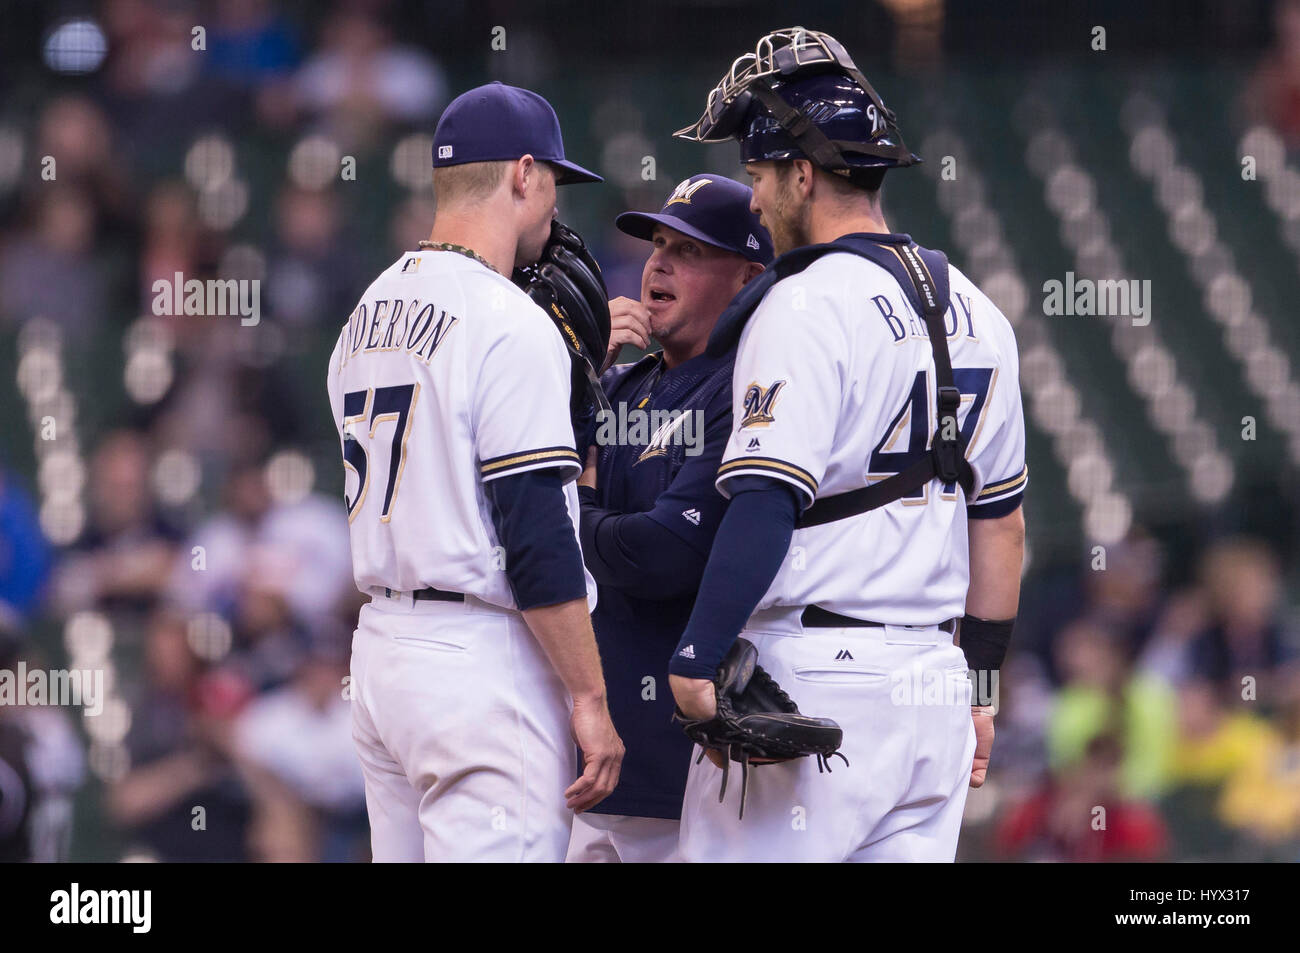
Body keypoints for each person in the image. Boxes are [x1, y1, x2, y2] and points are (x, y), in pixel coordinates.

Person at [668, 28, 1028, 861]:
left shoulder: (803, 304)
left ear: (802, 173)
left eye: (757, 175)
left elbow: (764, 500)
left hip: (817, 676)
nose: (753, 200)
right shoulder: (983, 313)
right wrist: (979, 691)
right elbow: (1001, 525)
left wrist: (696, 656)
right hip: (932, 688)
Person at [329, 81, 622, 862]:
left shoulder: (365, 313)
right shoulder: (508, 323)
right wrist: (589, 697)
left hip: (383, 652)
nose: (557, 205)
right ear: (523, 174)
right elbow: (536, 540)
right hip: (477, 663)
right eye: (555, 180)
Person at [565, 175, 771, 862]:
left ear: (747, 276)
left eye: (689, 250)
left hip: (688, 763)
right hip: (595, 757)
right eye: (657, 243)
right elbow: (526, 512)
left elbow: (660, 555)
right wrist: (589, 371)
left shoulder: (746, 388)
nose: (658, 263)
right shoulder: (622, 381)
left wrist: (583, 512)